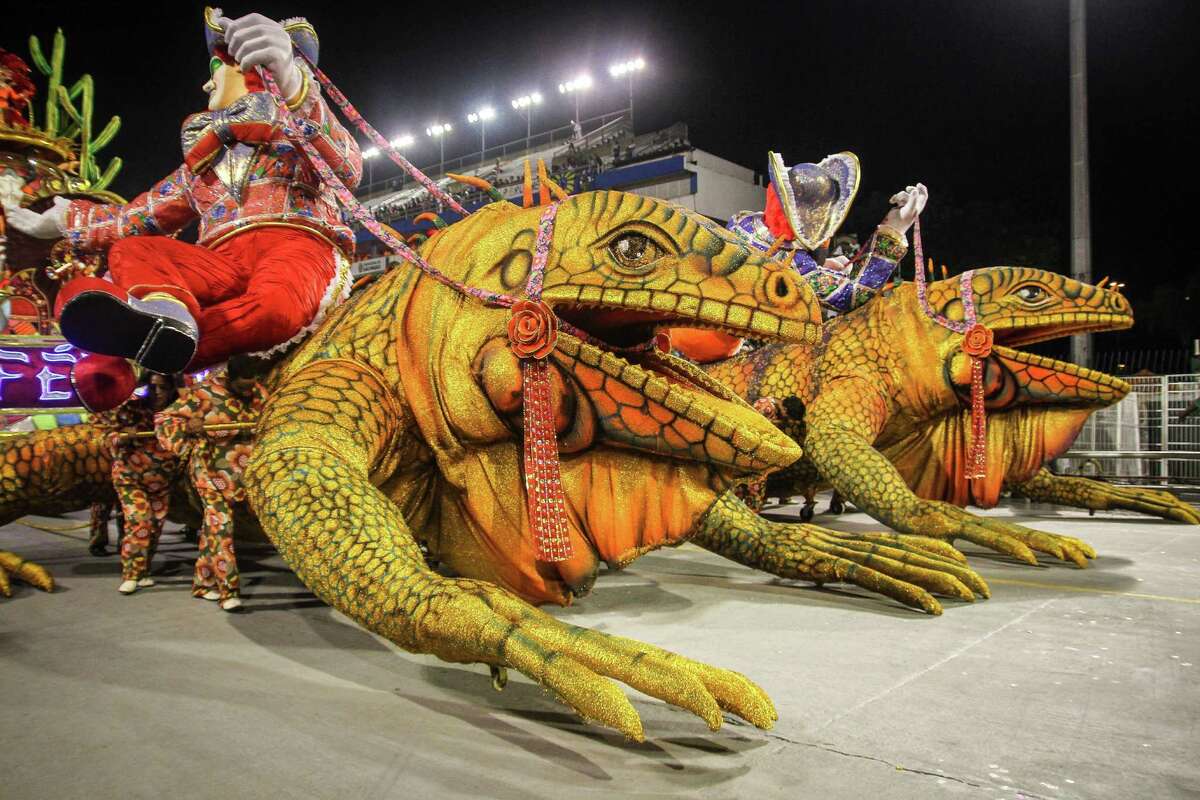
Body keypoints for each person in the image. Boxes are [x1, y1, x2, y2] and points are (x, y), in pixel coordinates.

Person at [2, 10, 360, 412]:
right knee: (133, 251)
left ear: (255, 74)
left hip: (297, 246)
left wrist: (294, 85)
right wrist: (63, 221)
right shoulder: (200, 169)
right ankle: (166, 316)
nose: (207, 82)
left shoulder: (298, 133)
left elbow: (348, 166)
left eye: (217, 70)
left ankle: (142, 356)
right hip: (220, 261)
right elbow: (136, 217)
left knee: (274, 307)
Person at [157, 362, 266, 612]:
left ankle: (204, 582)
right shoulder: (203, 392)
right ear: (230, 378)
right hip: (211, 472)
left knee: (214, 528)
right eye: (242, 387)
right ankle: (228, 591)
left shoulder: (260, 393)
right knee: (222, 524)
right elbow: (165, 419)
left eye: (251, 387)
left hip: (243, 472)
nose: (248, 392)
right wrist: (187, 426)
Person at [106, 374, 181, 595]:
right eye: (153, 387)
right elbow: (107, 435)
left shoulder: (178, 411)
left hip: (162, 479)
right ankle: (131, 574)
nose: (157, 392)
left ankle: (143, 571)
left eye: (163, 388)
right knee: (139, 521)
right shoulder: (131, 408)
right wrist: (123, 437)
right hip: (130, 476)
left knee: (155, 526)